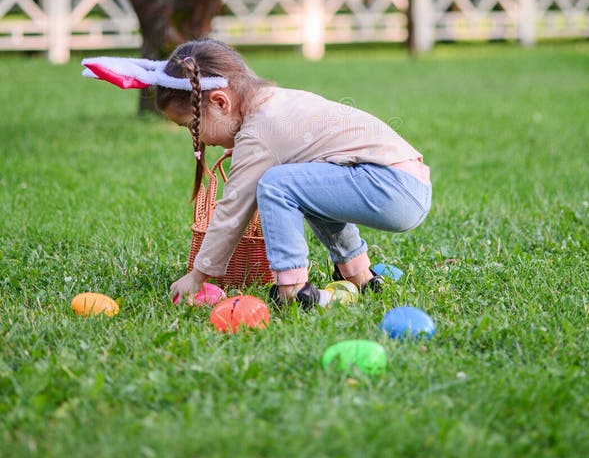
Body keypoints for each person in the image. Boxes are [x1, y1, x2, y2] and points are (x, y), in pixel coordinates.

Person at [154, 38, 432, 309]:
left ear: (220, 102)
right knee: (302, 181)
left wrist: (198, 274)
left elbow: (232, 210)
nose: (195, 136)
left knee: (277, 184)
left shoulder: (260, 131)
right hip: (405, 183)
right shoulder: (274, 102)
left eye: (191, 126)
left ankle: (293, 289)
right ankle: (359, 276)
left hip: (393, 189)